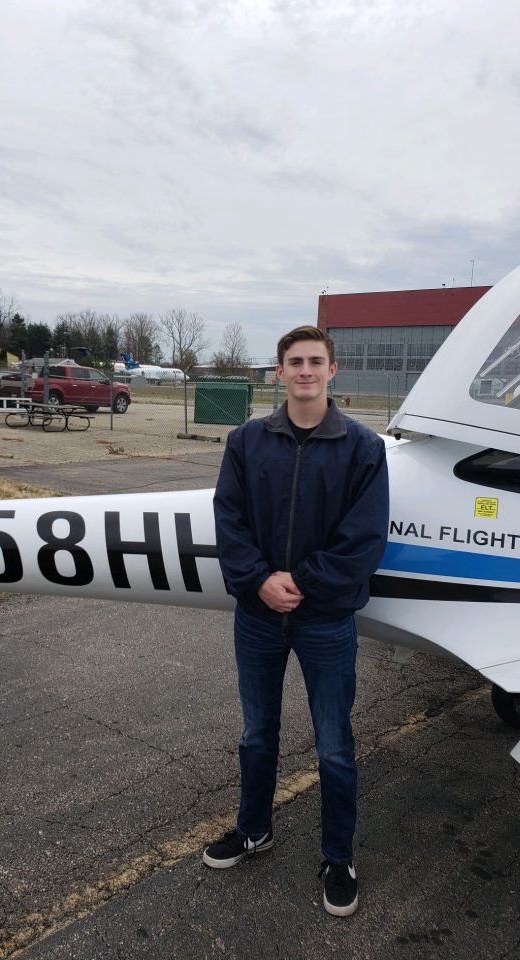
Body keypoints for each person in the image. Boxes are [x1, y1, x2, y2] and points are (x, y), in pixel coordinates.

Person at [203, 325, 389, 918]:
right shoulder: (246, 441)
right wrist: (259, 579)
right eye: (294, 362)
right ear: (278, 371)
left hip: (326, 621)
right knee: (257, 733)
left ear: (332, 371)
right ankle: (254, 829)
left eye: (315, 362)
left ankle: (338, 856)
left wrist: (302, 583)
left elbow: (363, 540)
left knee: (334, 745)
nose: (305, 371)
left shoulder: (363, 448)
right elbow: (228, 520)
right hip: (257, 616)